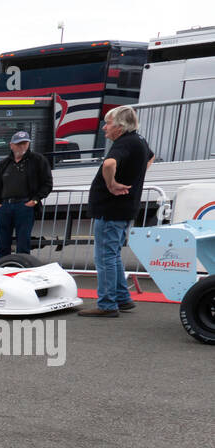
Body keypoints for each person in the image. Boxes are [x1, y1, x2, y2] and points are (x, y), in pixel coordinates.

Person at [81, 106, 154, 317]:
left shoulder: (124, 143)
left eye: (108, 123)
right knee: (112, 256)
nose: (105, 128)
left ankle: (107, 304)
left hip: (111, 208)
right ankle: (122, 298)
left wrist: (112, 184)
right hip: (124, 208)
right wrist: (137, 176)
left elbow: (109, 163)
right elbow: (152, 156)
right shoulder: (139, 141)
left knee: (105, 258)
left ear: (120, 127)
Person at [0, 131, 52, 259]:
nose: (22, 146)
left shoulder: (38, 160)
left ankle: (22, 270)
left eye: (25, 143)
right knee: (2, 243)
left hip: (25, 206)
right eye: (19, 144)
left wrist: (34, 201)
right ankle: (1, 270)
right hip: (5, 206)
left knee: (23, 243)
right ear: (11, 145)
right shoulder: (5, 163)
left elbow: (47, 184)